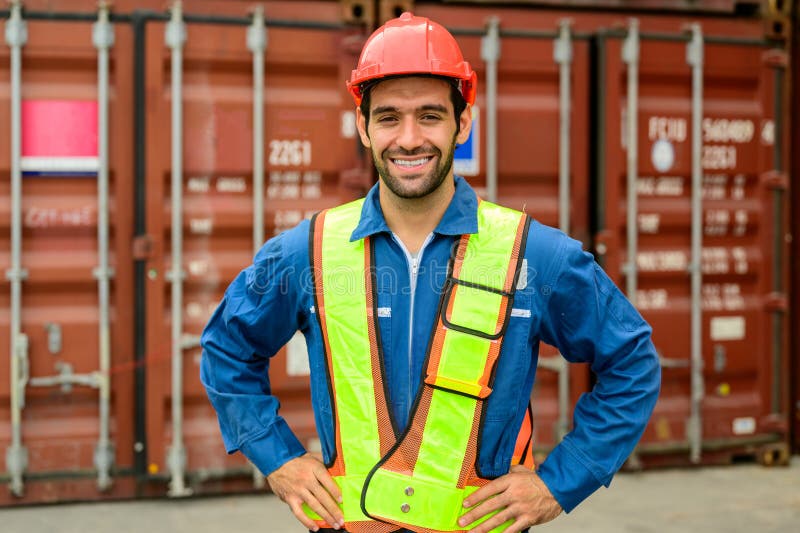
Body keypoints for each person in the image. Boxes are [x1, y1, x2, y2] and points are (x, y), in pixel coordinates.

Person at [201, 11, 660, 533]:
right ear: (363, 127)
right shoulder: (307, 253)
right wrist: (277, 459)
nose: (410, 138)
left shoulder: (534, 255)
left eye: (430, 116)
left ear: (463, 123)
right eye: (389, 117)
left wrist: (561, 483)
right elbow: (226, 348)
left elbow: (632, 362)